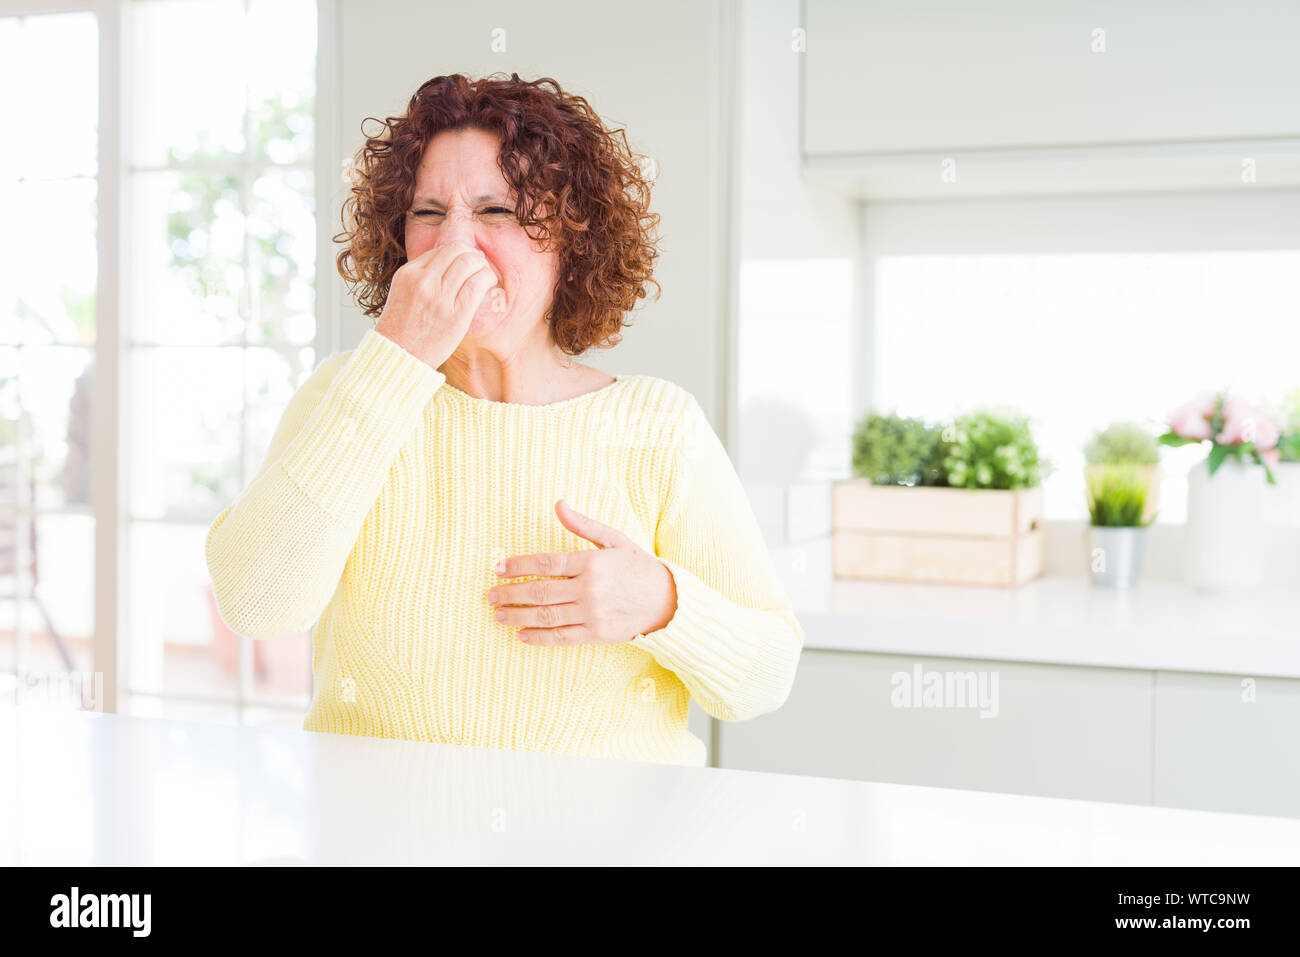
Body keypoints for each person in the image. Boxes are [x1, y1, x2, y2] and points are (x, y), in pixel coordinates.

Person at [205, 73, 803, 766]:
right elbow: (256, 604)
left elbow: (766, 676)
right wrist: (394, 362)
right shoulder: (348, 393)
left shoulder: (656, 424)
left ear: (572, 244)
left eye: (496, 212)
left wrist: (663, 604)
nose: (455, 243)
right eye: (427, 213)